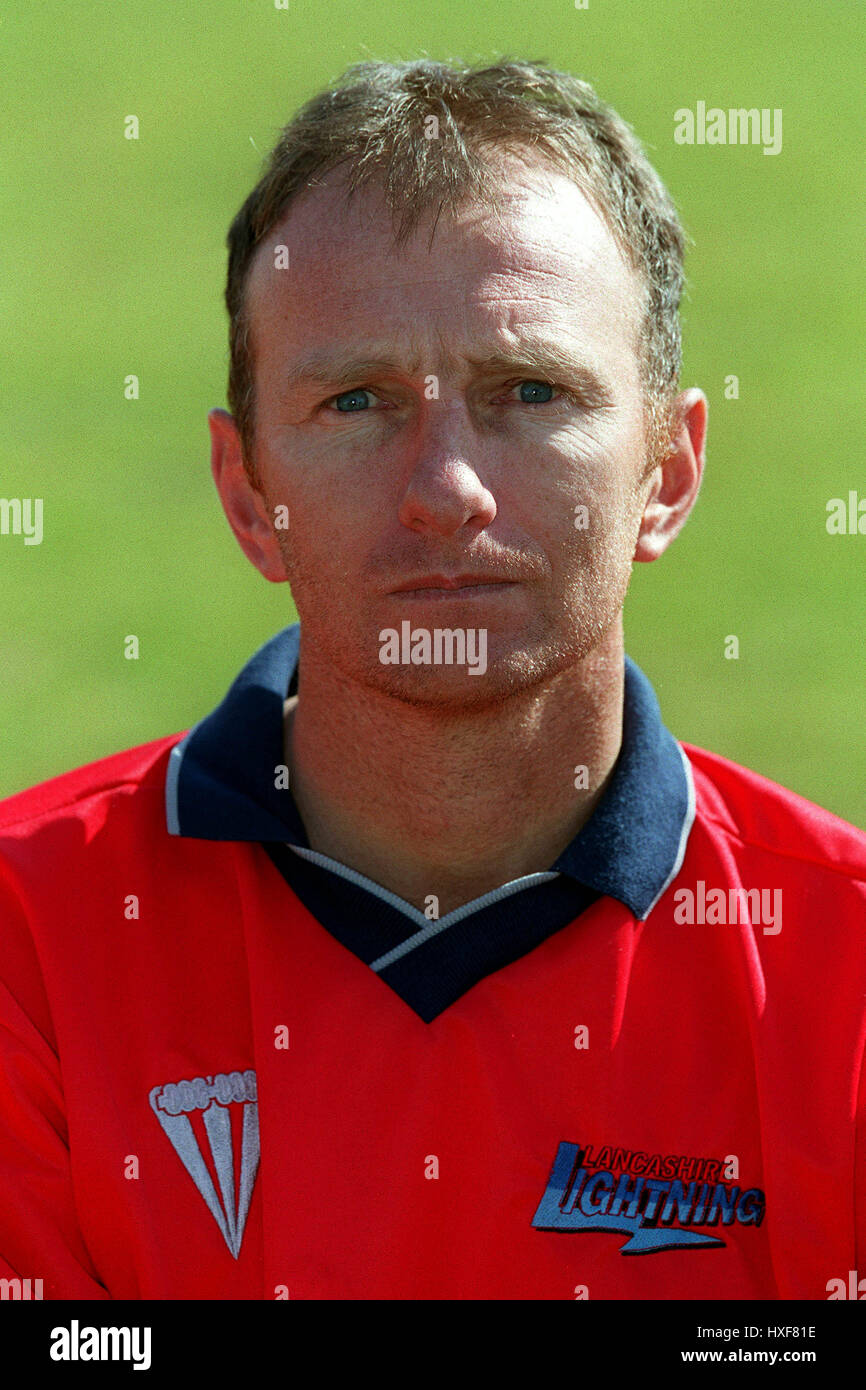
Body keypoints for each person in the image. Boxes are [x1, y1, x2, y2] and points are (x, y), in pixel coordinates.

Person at [1, 58, 864, 1302]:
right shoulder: (26, 944)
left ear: (665, 474)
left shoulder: (835, 974)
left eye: (528, 392)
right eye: (357, 401)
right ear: (249, 494)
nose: (445, 488)